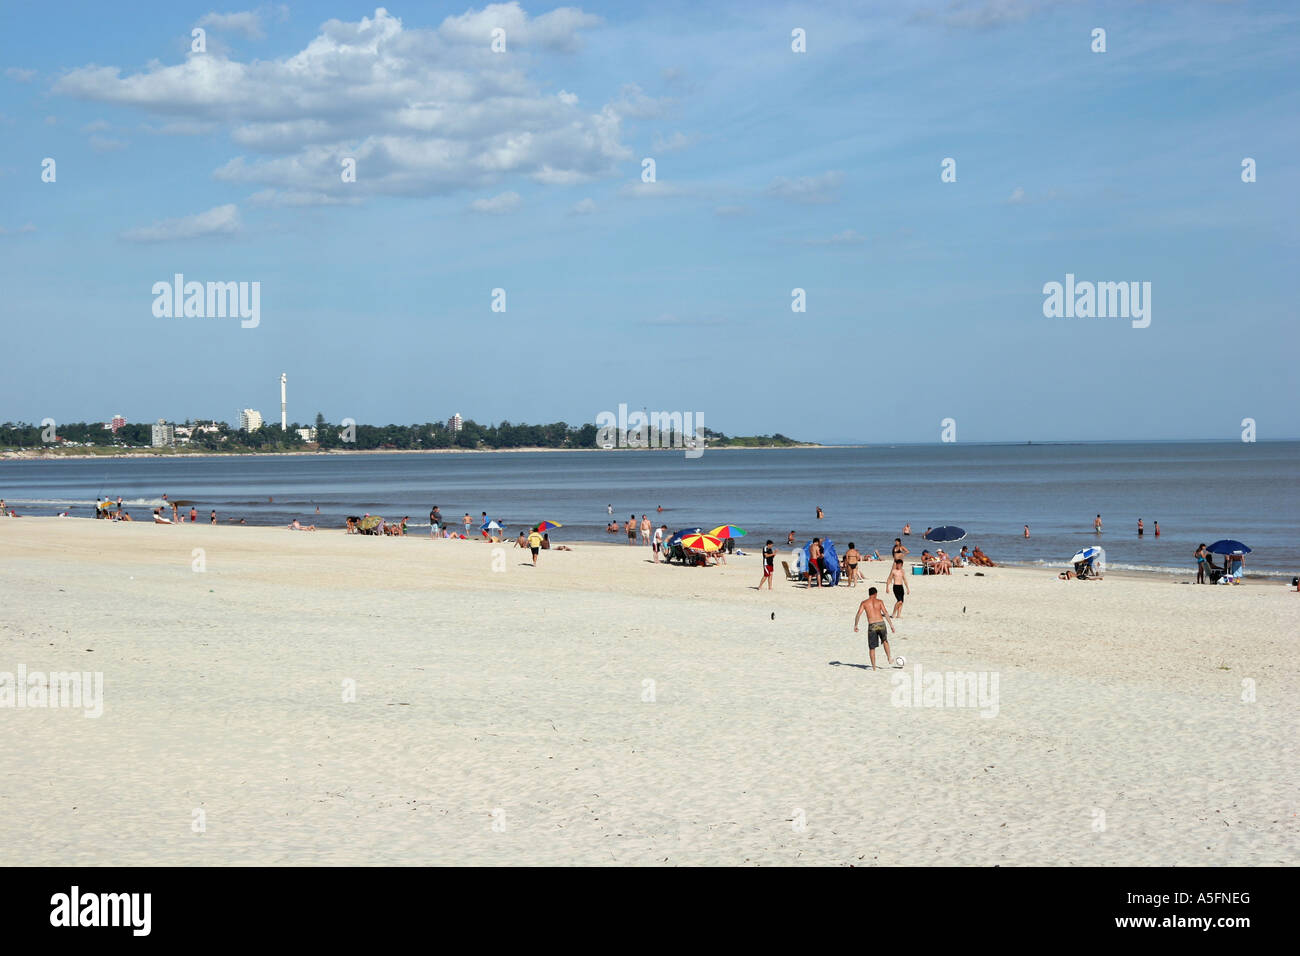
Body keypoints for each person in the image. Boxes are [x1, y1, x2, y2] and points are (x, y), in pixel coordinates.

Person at [853, 587, 896, 670]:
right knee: (885, 641)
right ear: (876, 594)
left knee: (872, 647)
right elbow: (886, 613)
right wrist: (891, 625)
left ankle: (874, 667)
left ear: (869, 594)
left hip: (872, 625)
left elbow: (858, 614)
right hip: (881, 623)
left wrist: (856, 625)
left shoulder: (864, 603)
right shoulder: (879, 601)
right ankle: (889, 658)